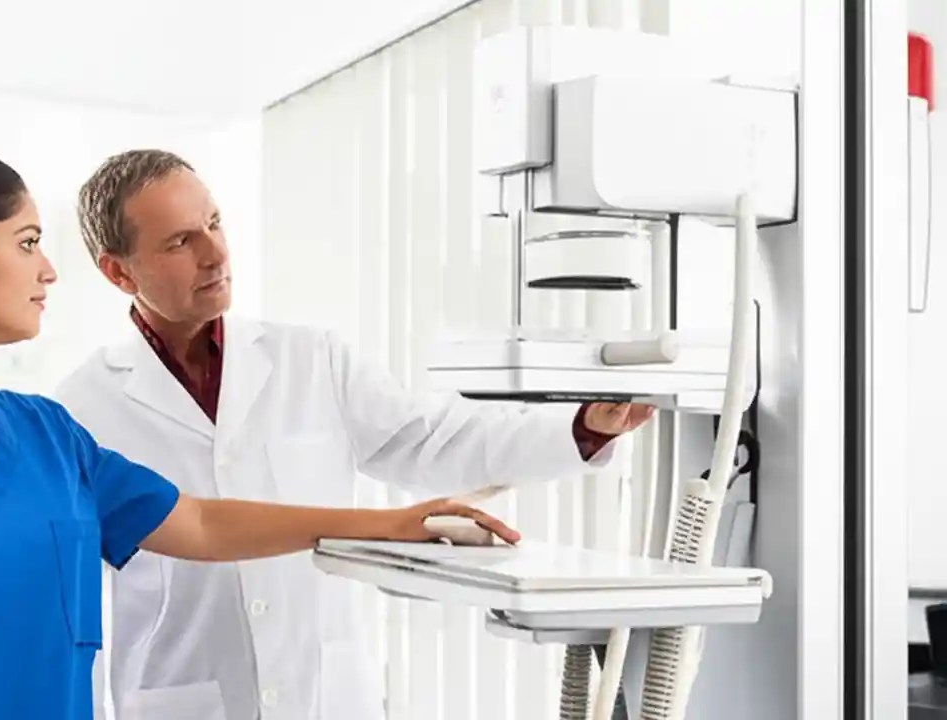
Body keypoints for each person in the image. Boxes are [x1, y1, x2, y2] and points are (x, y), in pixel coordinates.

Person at [0, 148, 522, 720]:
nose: (48, 272)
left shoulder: (45, 433)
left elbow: (202, 522)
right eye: (28, 242)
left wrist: (395, 522)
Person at [55, 149, 657, 720]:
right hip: (181, 697)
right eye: (181, 241)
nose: (216, 254)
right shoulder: (81, 408)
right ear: (117, 272)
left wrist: (577, 430)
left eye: (215, 223)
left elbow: (431, 437)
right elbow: (65, 600)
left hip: (325, 693)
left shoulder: (310, 358)